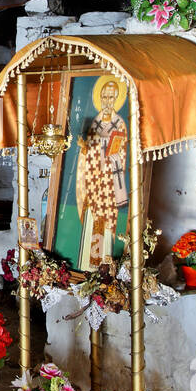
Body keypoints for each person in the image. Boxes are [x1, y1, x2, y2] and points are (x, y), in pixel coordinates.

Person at [75, 78, 129, 267]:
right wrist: (84, 148)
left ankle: (104, 265)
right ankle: (86, 265)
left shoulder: (119, 123)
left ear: (116, 99)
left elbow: (119, 154)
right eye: (104, 97)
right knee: (92, 220)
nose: (107, 101)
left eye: (110, 97)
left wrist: (98, 147)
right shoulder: (96, 121)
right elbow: (90, 152)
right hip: (93, 179)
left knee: (105, 223)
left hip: (108, 184)